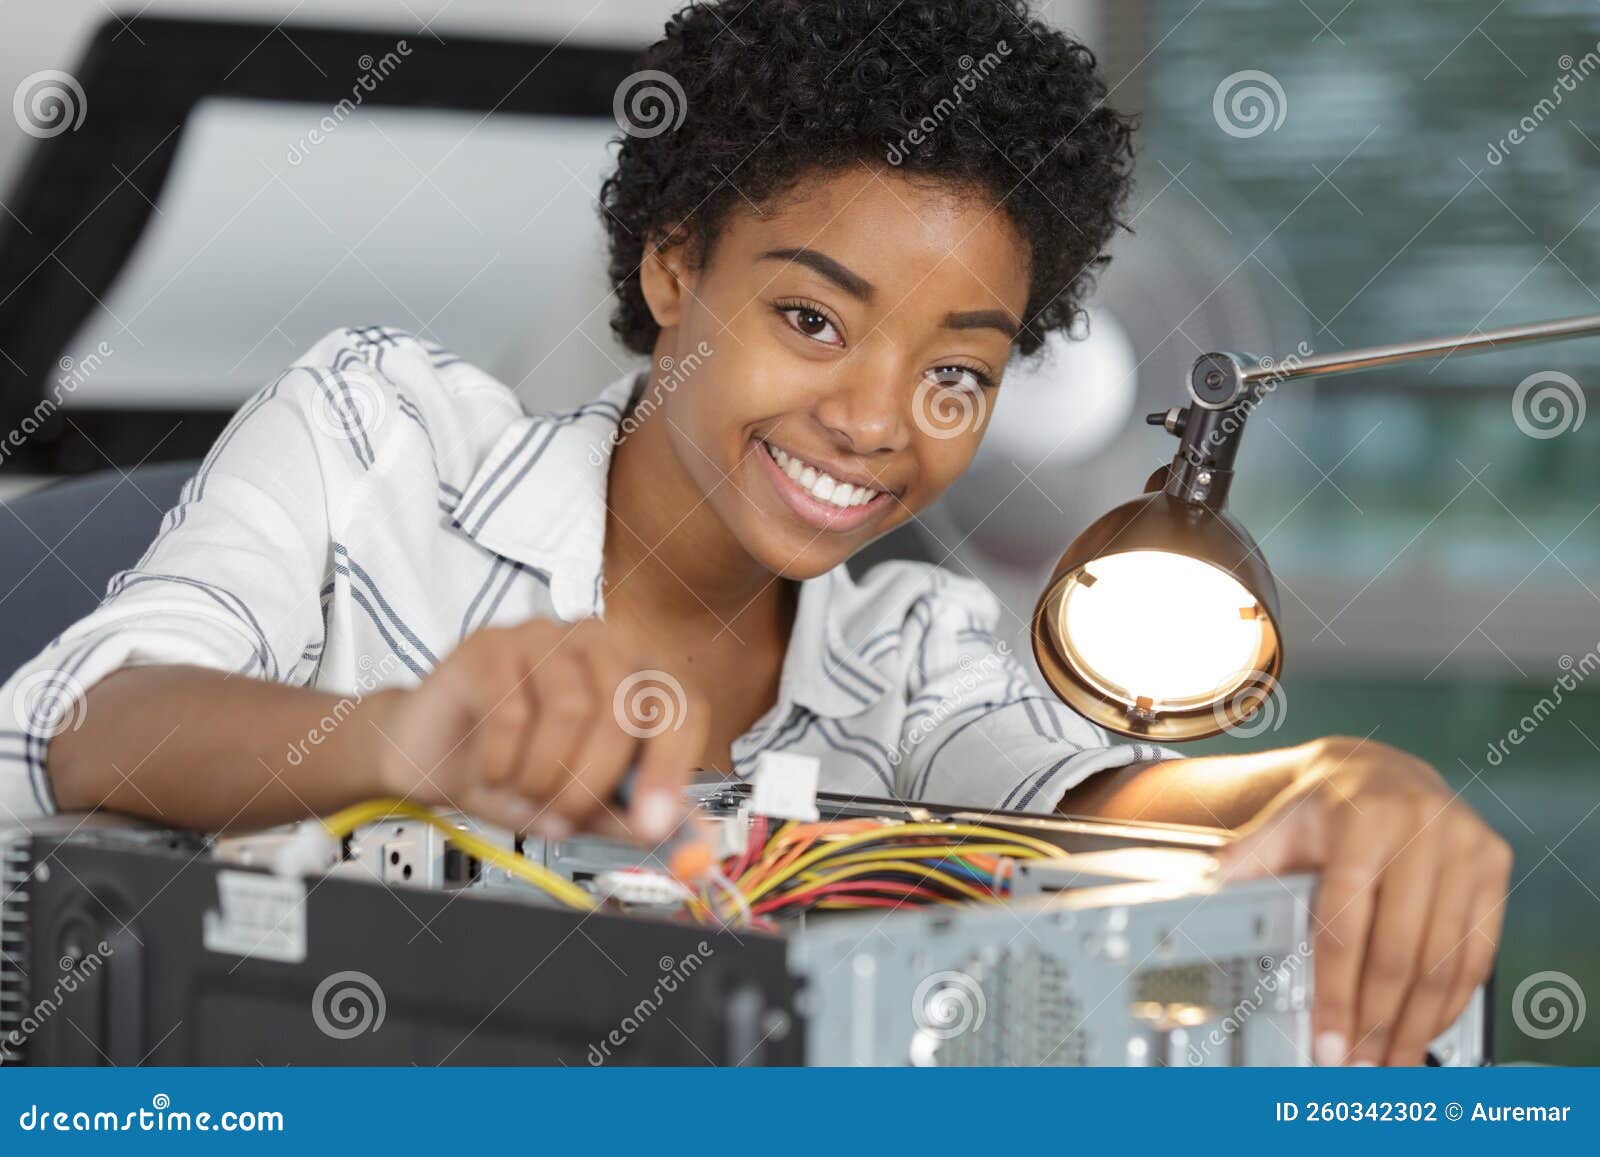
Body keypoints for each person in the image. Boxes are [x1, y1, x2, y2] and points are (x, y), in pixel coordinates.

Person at [0, 0, 1508, 1067]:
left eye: (956, 375)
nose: (875, 416)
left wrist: (1336, 775)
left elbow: (1101, 801)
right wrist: (410, 737)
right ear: (671, 266)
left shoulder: (909, 651)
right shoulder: (376, 431)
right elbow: (95, 724)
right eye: (809, 319)